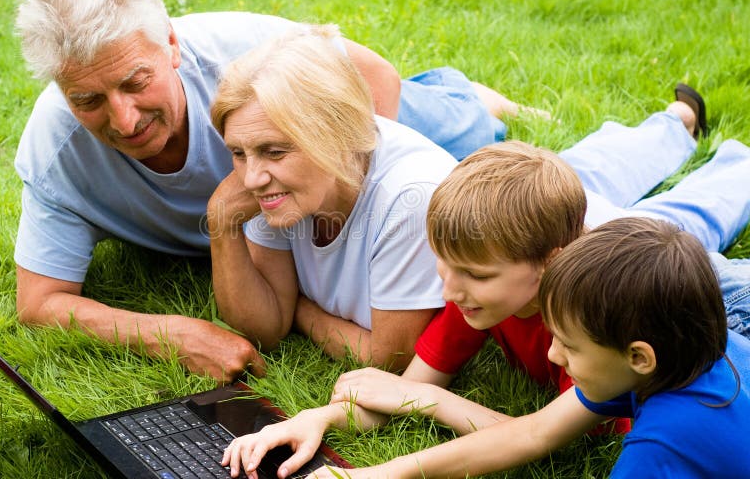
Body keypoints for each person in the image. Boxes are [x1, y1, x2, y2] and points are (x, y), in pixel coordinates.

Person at [12, 0, 540, 382]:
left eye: (135, 82)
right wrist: (173, 329)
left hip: (355, 133)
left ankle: (471, 96)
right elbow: (39, 303)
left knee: (468, 128)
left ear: (171, 45)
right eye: (88, 100)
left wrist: (350, 188)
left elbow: (375, 78)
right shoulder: (55, 151)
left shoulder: (247, 58)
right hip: (289, 202)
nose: (124, 121)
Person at [218, 87, 750, 477]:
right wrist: (319, 418)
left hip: (703, 289)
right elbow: (409, 387)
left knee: (694, 214)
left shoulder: (597, 331)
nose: (448, 291)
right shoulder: (484, 288)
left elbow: (540, 433)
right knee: (597, 169)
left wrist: (420, 400)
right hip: (592, 232)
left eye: (472, 274)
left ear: (548, 264)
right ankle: (675, 121)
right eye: (444, 266)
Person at [315, 219, 749, 478]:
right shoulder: (673, 355)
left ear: (639, 356)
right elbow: (532, 433)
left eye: (569, 345)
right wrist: (382, 473)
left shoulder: (663, 441)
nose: (553, 355)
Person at [207, 27, 458, 372]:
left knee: (468, 112)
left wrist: (300, 309)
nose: (251, 179)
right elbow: (265, 329)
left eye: (274, 152)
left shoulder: (411, 197)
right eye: (238, 153)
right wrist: (222, 221)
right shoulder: (279, 183)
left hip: (454, 122)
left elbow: (388, 360)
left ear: (337, 137)